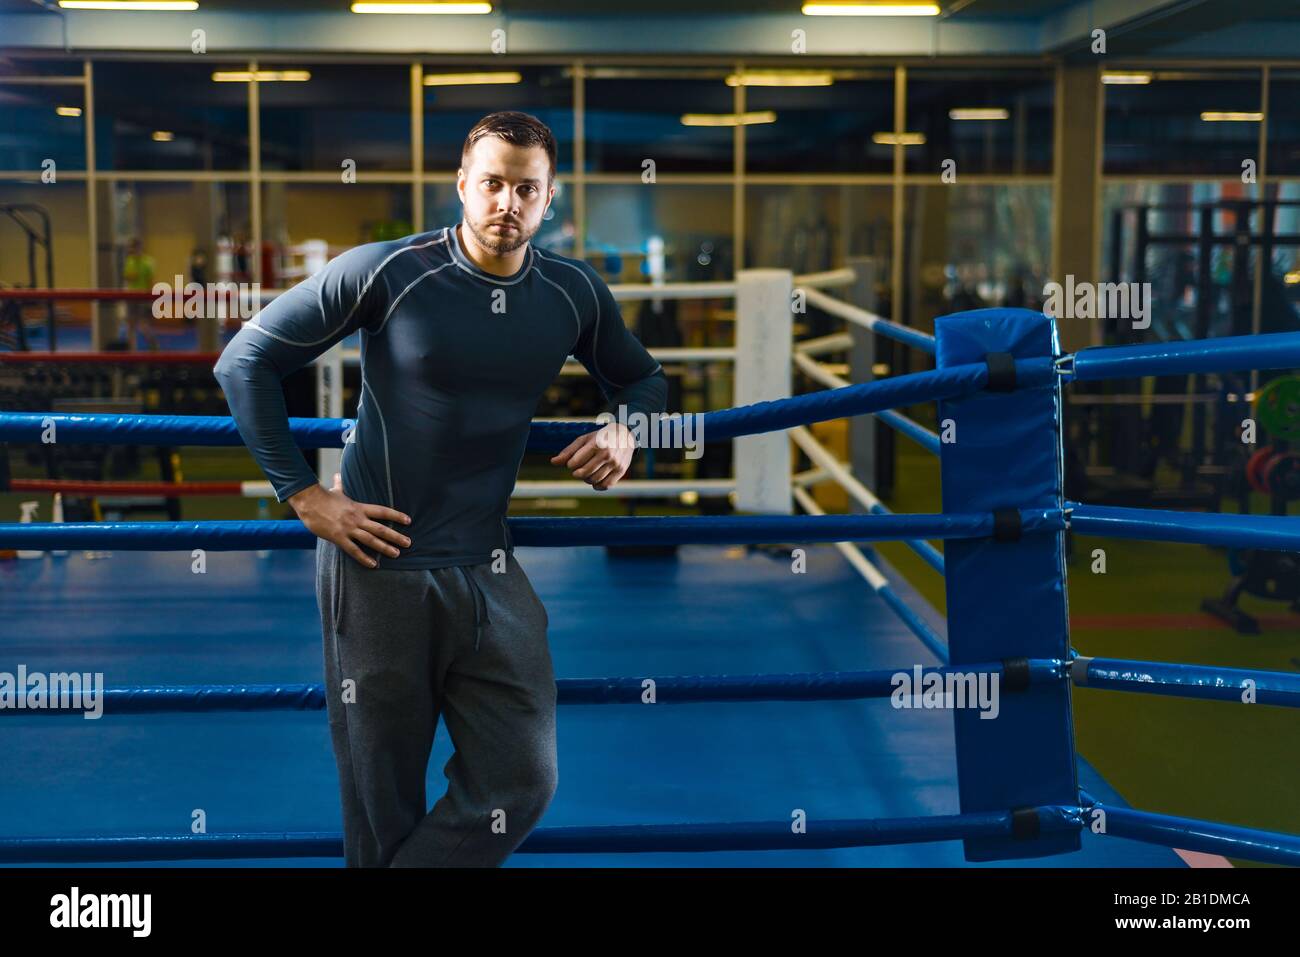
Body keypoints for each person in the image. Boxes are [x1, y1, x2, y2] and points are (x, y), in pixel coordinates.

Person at [213, 111, 668, 867]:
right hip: (378, 561)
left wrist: (626, 427)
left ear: (550, 200)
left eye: (527, 189)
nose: (507, 204)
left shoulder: (570, 291)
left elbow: (642, 376)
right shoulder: (389, 270)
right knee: (379, 803)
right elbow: (245, 359)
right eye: (491, 183)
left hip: (489, 565)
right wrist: (303, 494)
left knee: (523, 778)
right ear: (462, 185)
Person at [121, 237, 158, 350]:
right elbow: (127, 278)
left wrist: (150, 299)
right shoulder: (129, 261)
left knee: (143, 326)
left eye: (134, 247)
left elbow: (150, 281)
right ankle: (132, 350)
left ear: (139, 247)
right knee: (130, 326)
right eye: (131, 248)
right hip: (131, 296)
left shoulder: (148, 262)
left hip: (143, 296)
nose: (132, 250)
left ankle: (153, 345)